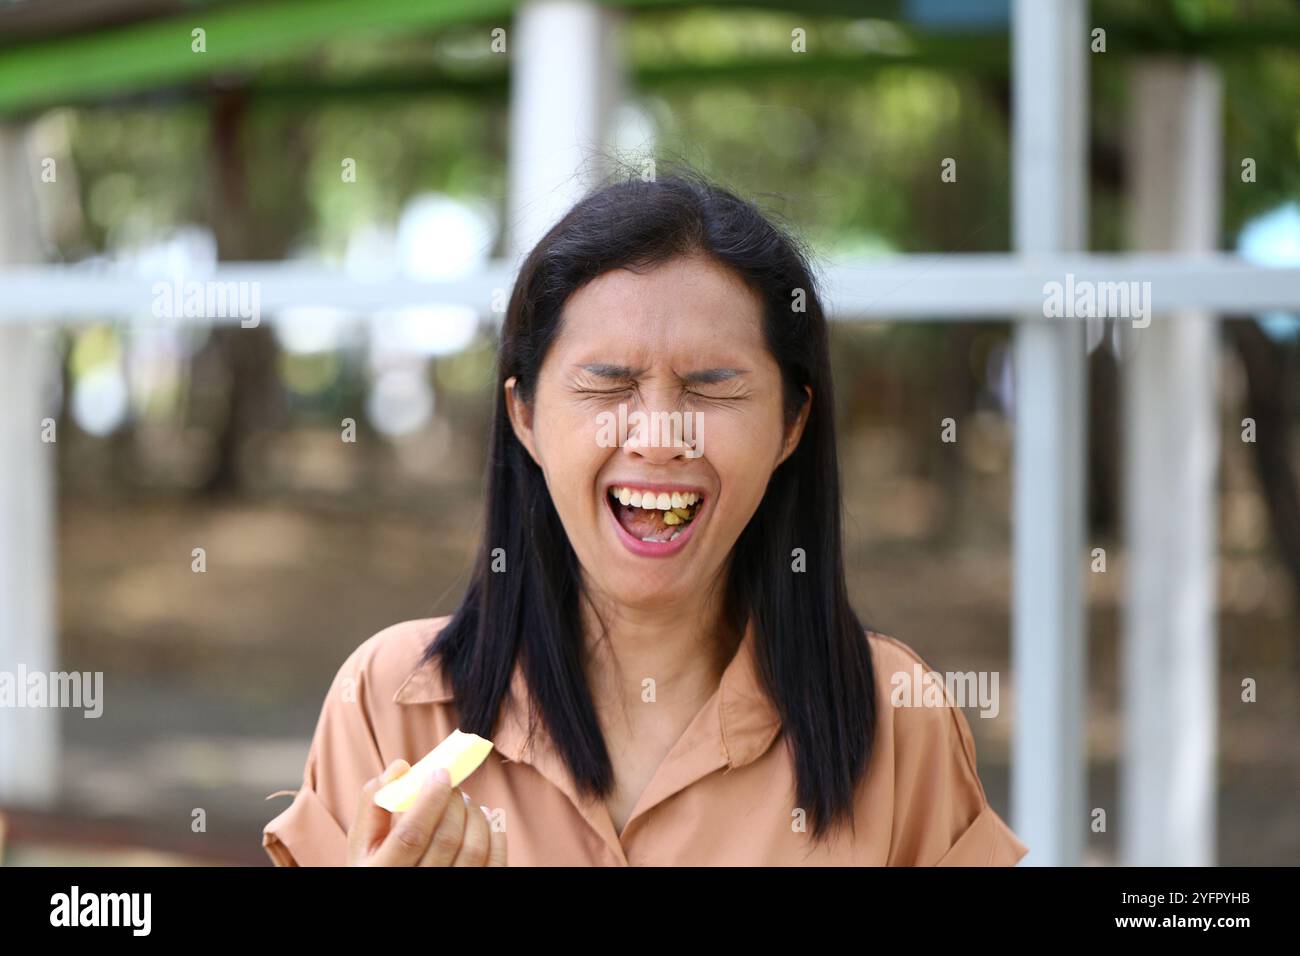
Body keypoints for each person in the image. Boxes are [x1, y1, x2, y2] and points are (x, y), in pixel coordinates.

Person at [263, 172, 1028, 866]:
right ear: (524, 413)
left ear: (792, 425)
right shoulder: (391, 705)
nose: (660, 437)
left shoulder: (894, 716)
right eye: (607, 385)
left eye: (711, 387)